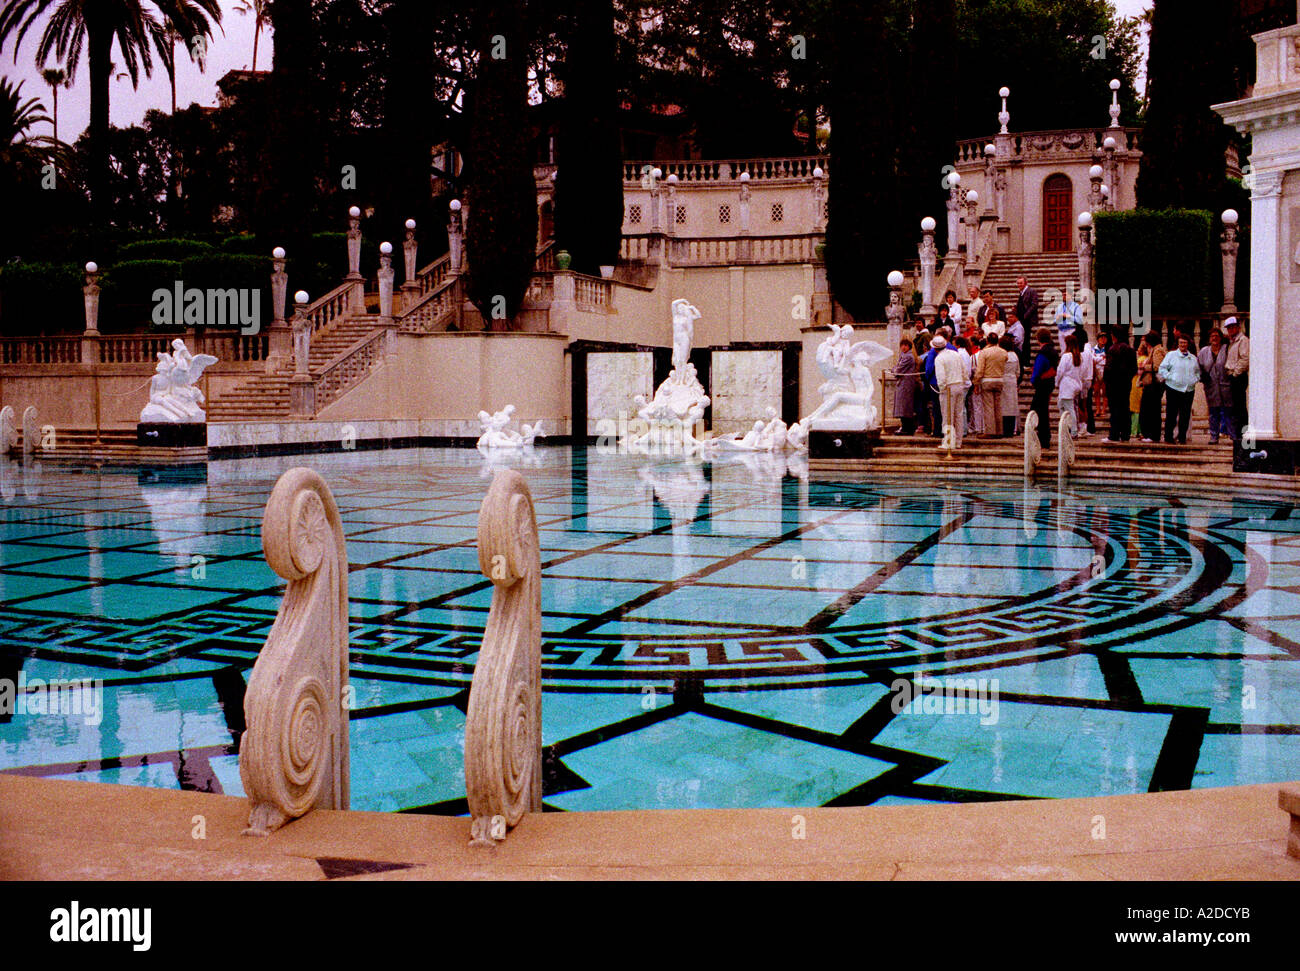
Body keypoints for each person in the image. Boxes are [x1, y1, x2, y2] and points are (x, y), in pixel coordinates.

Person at [1158, 332, 1198, 445]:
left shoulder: (1193, 358)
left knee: (1185, 415)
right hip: (1173, 388)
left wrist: (1194, 380)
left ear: (1188, 344)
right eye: (1181, 342)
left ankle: (1182, 437)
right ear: (1178, 343)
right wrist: (1171, 377)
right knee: (1171, 414)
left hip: (1188, 390)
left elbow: (1197, 372)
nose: (1183, 345)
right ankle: (1168, 437)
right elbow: (1162, 369)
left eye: (1185, 342)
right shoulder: (1171, 355)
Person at [1103, 328, 1137, 443]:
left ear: (1114, 336)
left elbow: (1108, 369)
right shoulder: (1130, 350)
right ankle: (1125, 434)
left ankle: (1114, 434)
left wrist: (1106, 382)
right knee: (1125, 408)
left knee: (1115, 409)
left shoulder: (1112, 349)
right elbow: (1134, 369)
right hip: (1126, 383)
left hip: (1114, 384)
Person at [1198, 328, 1231, 445]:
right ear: (1209, 338)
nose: (1214, 338)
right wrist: (1203, 378)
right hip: (1211, 386)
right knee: (1213, 412)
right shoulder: (1203, 352)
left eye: (1217, 335)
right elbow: (1199, 368)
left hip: (1225, 385)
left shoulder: (1226, 349)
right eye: (1212, 336)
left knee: (1228, 411)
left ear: (1221, 337)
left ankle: (1231, 435)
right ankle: (1214, 436)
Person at [933, 335, 966, 450]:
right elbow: (964, 370)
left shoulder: (939, 359)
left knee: (947, 416)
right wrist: (964, 382)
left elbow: (941, 377)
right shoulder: (956, 354)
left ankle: (948, 442)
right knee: (958, 415)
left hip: (948, 387)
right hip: (959, 384)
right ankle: (958, 441)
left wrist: (941, 389)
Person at [974, 334, 1009, 437]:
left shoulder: (984, 352)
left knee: (989, 407)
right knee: (998, 406)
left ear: (987, 341)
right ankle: (999, 430)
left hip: (987, 380)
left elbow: (980, 370)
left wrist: (976, 382)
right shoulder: (1003, 352)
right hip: (999, 379)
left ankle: (990, 431)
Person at [1030, 327, 1058, 449]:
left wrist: (1033, 380)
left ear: (1038, 339)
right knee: (1043, 411)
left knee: (1037, 410)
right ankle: (1045, 437)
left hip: (1042, 384)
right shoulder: (1053, 351)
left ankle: (1042, 438)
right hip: (1050, 383)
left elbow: (1038, 369)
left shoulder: (1043, 353)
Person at [1137, 331, 1167, 443]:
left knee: (1151, 410)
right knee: (1148, 409)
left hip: (1154, 385)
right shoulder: (1155, 349)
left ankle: (1152, 434)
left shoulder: (1158, 350)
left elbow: (1157, 367)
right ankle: (1148, 434)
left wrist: (1144, 367)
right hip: (1152, 385)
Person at [1056, 334, 1087, 439]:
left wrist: (1057, 382)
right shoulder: (1079, 356)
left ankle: (1073, 430)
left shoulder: (1066, 356)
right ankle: (1068, 427)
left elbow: (1060, 371)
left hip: (1067, 385)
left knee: (1068, 408)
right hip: (1076, 383)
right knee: (1065, 406)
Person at [1224, 316, 1250, 441]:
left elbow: (1245, 359)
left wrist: (1235, 373)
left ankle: (1243, 433)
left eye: (1232, 327)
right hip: (1233, 375)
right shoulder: (1232, 341)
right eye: (1228, 328)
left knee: (1240, 406)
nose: (1230, 330)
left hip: (1238, 376)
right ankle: (1238, 432)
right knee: (1235, 406)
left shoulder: (1242, 340)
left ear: (1238, 327)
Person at [891, 338, 920, 435]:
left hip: (906, 384)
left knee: (904, 406)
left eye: (905, 345)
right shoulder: (904, 355)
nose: (903, 347)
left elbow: (898, 370)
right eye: (902, 345)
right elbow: (896, 367)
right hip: (903, 383)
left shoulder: (908, 357)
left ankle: (906, 428)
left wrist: (894, 370)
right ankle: (904, 426)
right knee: (902, 406)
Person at [999, 334, 1021, 437]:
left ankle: (1004, 429)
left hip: (1003, 379)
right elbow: (1018, 371)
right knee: (1012, 406)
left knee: (1003, 406)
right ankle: (1011, 429)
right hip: (1012, 380)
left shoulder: (1003, 355)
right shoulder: (1015, 355)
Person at [1056, 286, 1084, 354]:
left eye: (1065, 295)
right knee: (1063, 351)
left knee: (1071, 350)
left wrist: (1068, 316)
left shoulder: (1076, 306)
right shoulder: (1060, 306)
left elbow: (1079, 319)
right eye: (1063, 295)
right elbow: (1055, 318)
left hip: (1070, 330)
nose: (1064, 296)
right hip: (1061, 330)